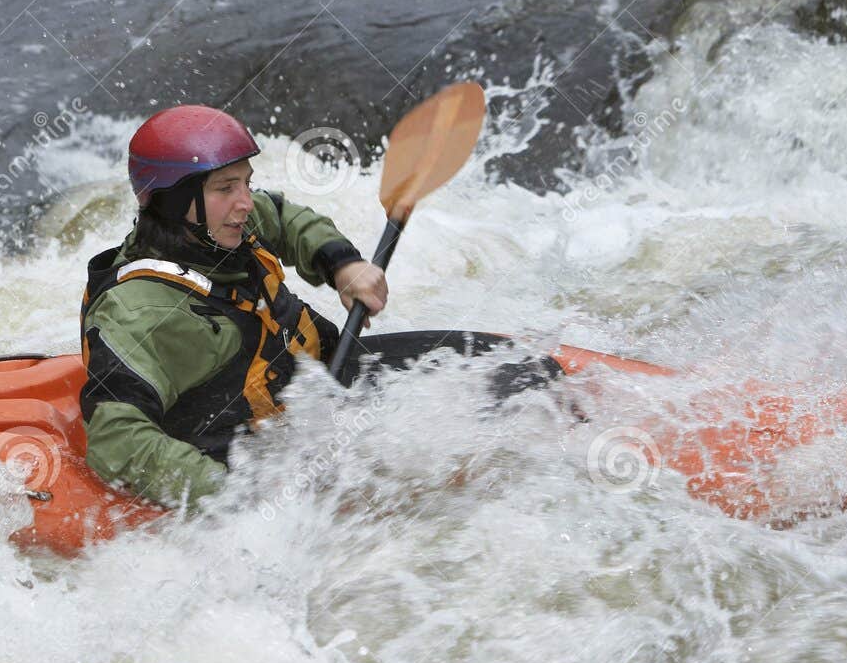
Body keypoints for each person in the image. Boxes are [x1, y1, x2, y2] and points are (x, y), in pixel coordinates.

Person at [79, 105, 557, 508]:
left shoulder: (225, 225)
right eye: (225, 188)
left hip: (320, 388)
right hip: (259, 453)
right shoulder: (139, 312)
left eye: (245, 182)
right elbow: (116, 438)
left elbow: (286, 219)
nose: (245, 202)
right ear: (172, 201)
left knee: (524, 370)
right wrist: (237, 496)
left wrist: (343, 266)